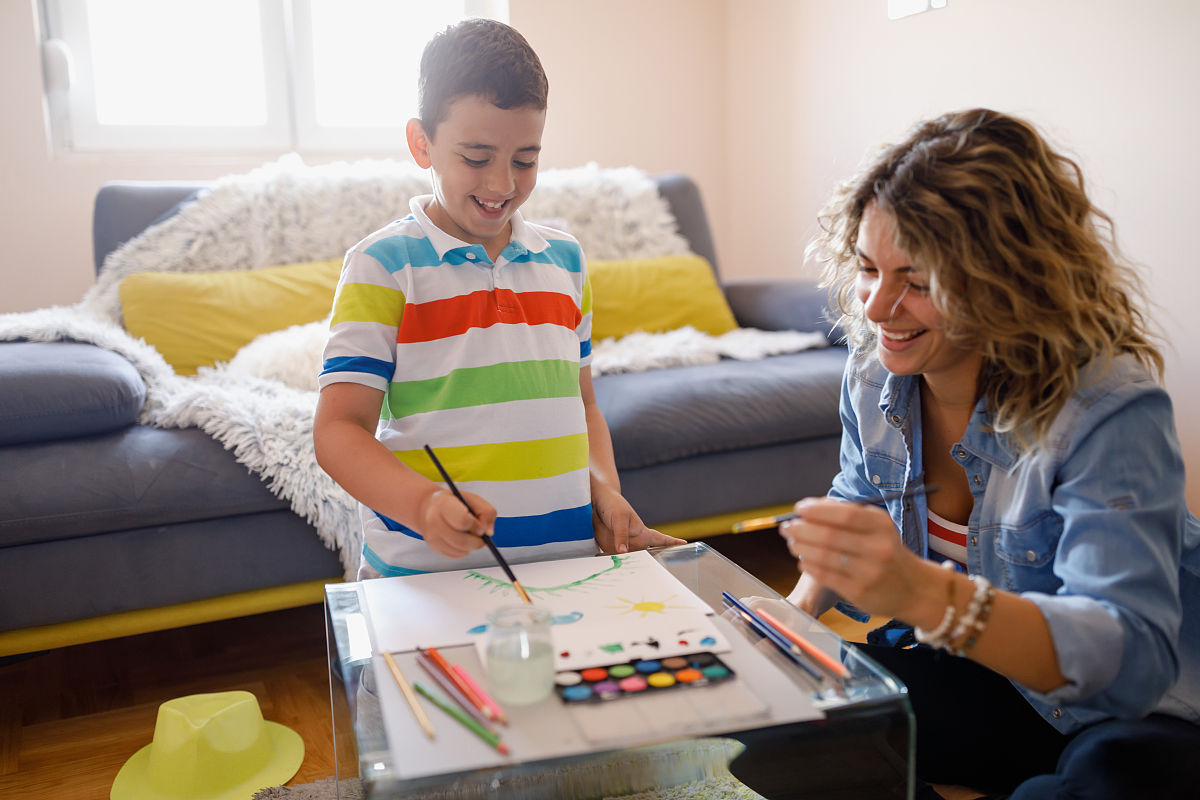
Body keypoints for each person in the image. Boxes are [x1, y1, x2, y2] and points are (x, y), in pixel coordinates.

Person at [779, 108, 1200, 799]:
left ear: (1006, 282)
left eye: (916, 281)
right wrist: (786, 622)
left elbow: (1129, 659)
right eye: (868, 269)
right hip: (995, 681)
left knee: (1106, 781)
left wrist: (924, 593)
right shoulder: (876, 373)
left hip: (1134, 713)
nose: (878, 307)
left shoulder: (1107, 407)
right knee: (791, 710)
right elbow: (861, 501)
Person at [314, 18, 680, 579]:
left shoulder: (566, 261)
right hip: (427, 578)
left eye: (525, 160)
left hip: (566, 570)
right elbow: (340, 430)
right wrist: (423, 506)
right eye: (477, 158)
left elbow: (582, 405)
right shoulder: (382, 265)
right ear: (421, 144)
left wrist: (605, 493)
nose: (502, 184)